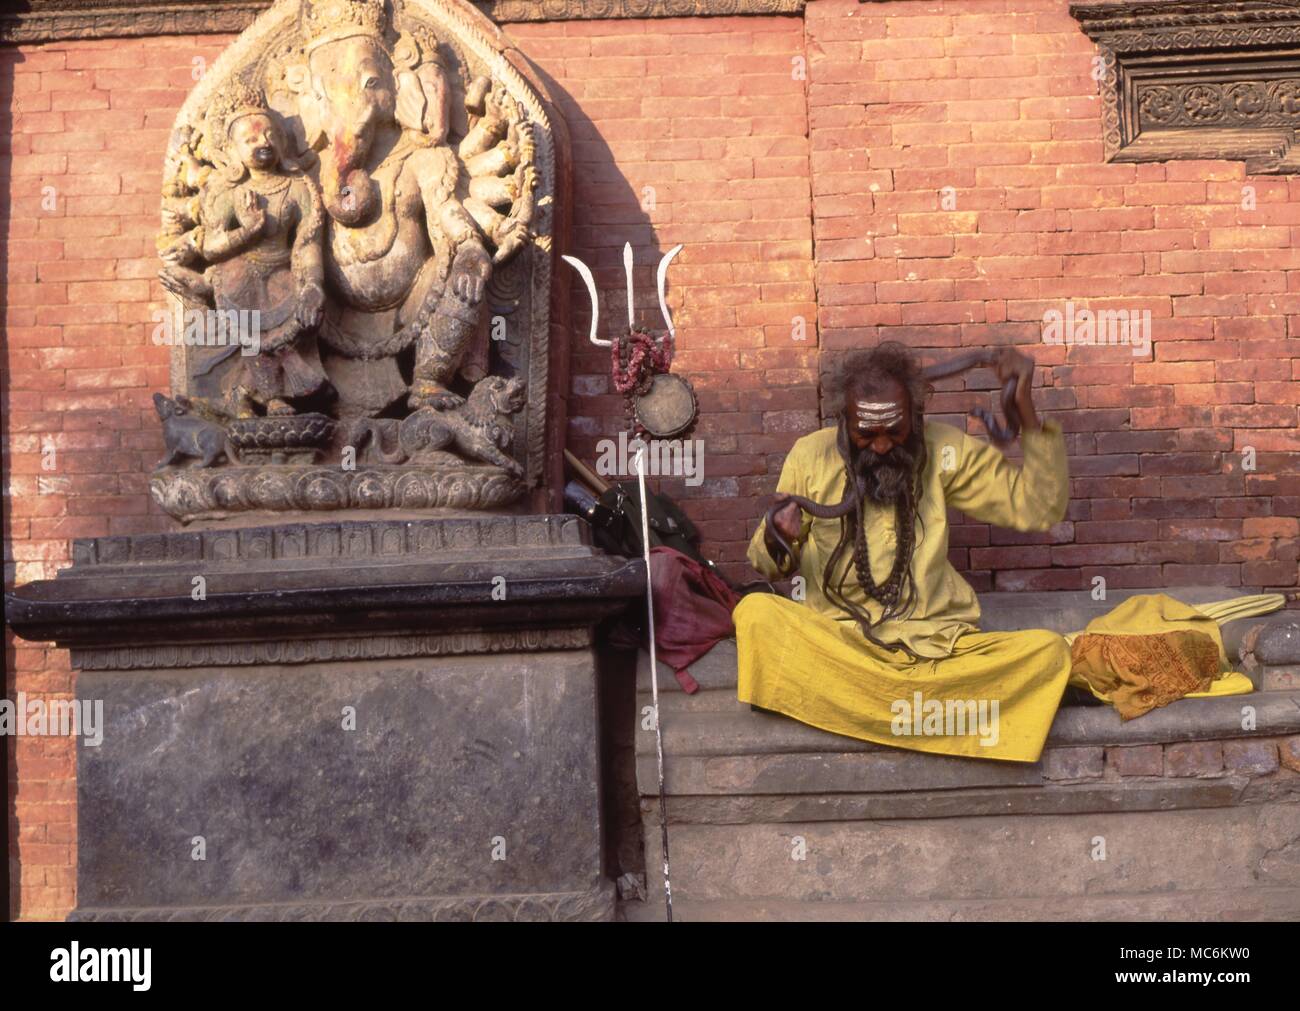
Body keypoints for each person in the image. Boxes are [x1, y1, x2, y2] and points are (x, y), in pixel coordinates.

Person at [735, 341, 1073, 762]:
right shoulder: (810, 456)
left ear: (915, 417)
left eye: (895, 432)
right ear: (844, 421)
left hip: (936, 647)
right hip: (845, 646)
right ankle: (931, 717)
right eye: (866, 434)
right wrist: (777, 535)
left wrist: (1025, 410)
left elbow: (1038, 507)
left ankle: (860, 712)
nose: (880, 447)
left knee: (1048, 653)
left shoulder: (943, 450)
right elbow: (766, 564)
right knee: (756, 614)